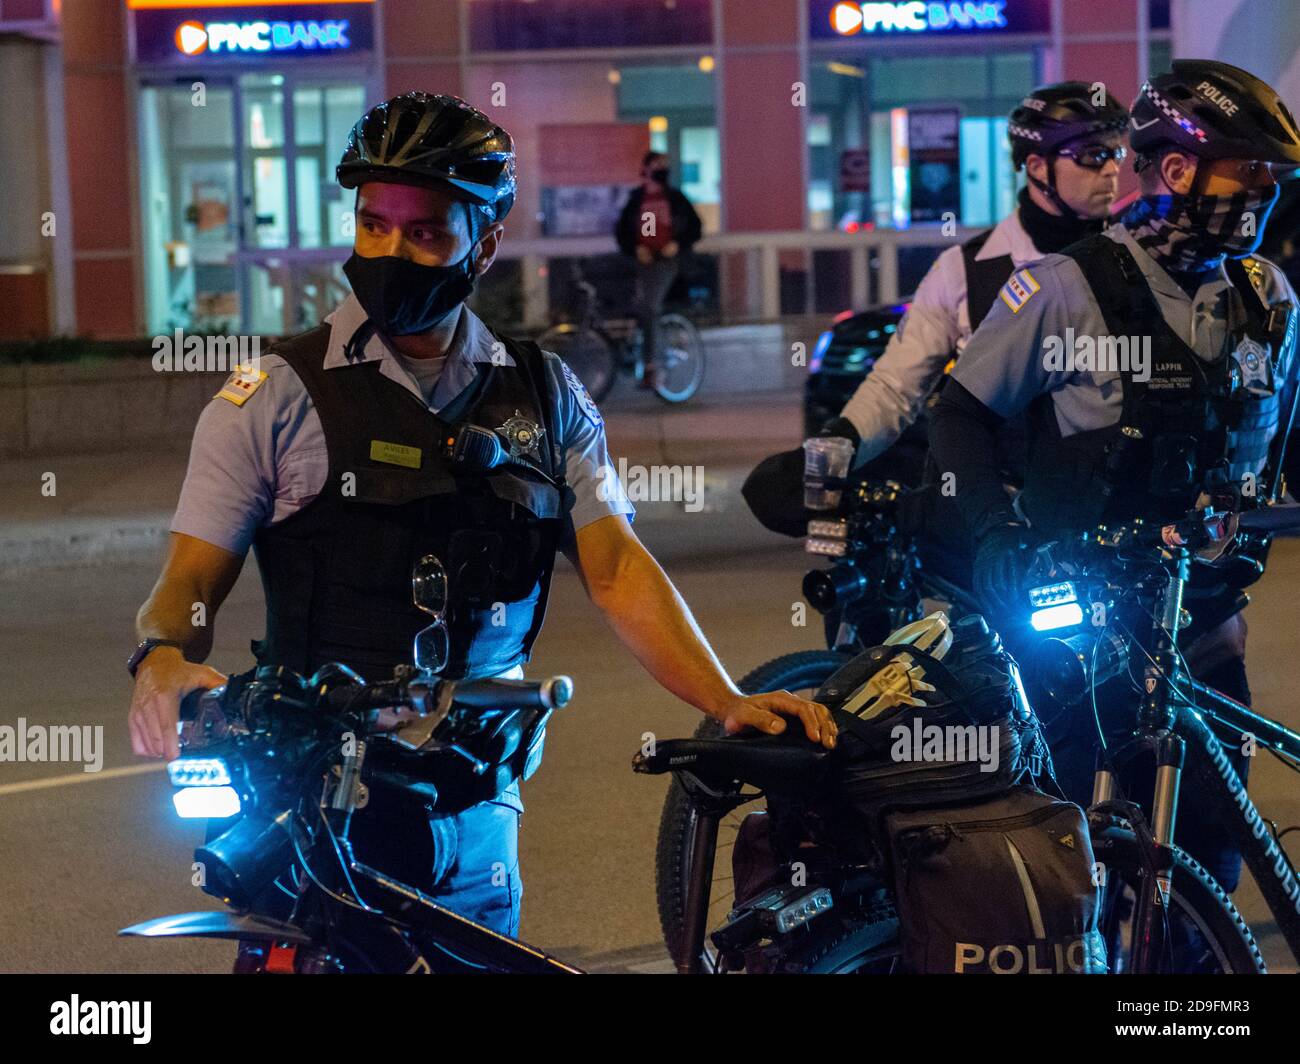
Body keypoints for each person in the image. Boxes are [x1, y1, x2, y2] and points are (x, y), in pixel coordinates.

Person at [127, 93, 834, 941]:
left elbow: (616, 570)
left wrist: (724, 699)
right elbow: (189, 582)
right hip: (315, 802)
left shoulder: (546, 394)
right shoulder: (273, 399)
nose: (391, 250)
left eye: (424, 232)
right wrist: (161, 659)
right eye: (373, 225)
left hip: (477, 804)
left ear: (485, 243)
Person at [928, 60, 1300, 892]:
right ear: (1175, 170)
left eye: (1278, 178)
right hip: (1080, 656)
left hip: (1205, 645)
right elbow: (960, 416)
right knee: (1072, 888)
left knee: (1206, 884)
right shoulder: (1062, 289)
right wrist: (994, 536)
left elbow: (1287, 446)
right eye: (1252, 173)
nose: (1267, 194)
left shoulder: (1269, 300)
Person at [744, 83, 1130, 587]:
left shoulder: (1136, 260)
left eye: (1117, 153)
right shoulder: (963, 270)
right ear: (1038, 167)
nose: (1112, 170)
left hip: (1107, 517)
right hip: (994, 516)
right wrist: (825, 457)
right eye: (1093, 155)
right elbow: (895, 387)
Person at [614, 151, 702, 389]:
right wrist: (636, 249)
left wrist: (677, 244)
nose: (663, 169)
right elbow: (622, 232)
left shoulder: (675, 198)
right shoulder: (637, 199)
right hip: (643, 262)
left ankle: (652, 366)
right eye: (658, 165)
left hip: (667, 262)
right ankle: (639, 353)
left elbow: (695, 227)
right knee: (640, 307)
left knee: (650, 308)